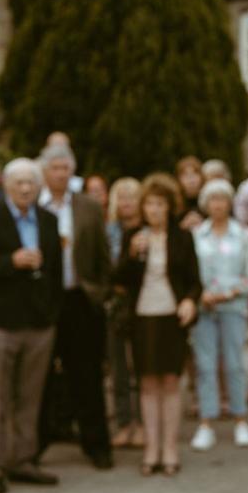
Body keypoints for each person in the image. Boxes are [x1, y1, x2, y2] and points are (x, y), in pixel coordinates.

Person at [0, 158, 62, 493]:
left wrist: (51, 316)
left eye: (30, 183)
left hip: (38, 323)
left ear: (38, 187)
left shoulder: (49, 221)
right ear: (6, 185)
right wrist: (11, 261)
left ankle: (23, 459)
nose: (25, 188)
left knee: (29, 397)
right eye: (19, 182)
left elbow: (56, 275)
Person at [116, 174, 199, 474]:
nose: (153, 210)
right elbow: (119, 279)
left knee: (170, 381)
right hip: (142, 317)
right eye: (149, 204)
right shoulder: (133, 236)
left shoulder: (182, 237)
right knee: (148, 382)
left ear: (169, 207)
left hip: (171, 316)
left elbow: (194, 281)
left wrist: (190, 300)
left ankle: (170, 448)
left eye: (159, 204)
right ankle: (151, 448)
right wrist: (131, 254)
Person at [37, 144, 113, 469]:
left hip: (80, 299)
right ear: (45, 172)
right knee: (39, 376)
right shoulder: (34, 207)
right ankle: (36, 444)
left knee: (87, 374)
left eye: (65, 168)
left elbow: (102, 256)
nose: (60, 174)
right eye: (54, 168)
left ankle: (96, 444)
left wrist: (98, 292)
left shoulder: (88, 208)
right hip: (44, 302)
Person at [188, 178, 248, 451]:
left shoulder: (243, 235)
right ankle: (206, 422)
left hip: (234, 306)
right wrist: (202, 294)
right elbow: (191, 271)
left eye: (222, 199)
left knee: (234, 364)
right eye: (212, 199)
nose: (217, 204)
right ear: (206, 204)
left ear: (229, 203)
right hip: (205, 308)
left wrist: (231, 293)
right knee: (205, 365)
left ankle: (240, 419)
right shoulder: (197, 235)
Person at [105, 177, 145, 448]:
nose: (127, 203)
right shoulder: (108, 232)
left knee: (142, 368)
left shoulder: (148, 231)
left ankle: (143, 424)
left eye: (132, 197)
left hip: (143, 303)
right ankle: (124, 423)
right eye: (122, 197)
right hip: (116, 303)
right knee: (118, 367)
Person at [174, 156, 206, 231]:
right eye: (185, 175)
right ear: (178, 179)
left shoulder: (209, 200)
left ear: (202, 177)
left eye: (195, 174)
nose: (191, 180)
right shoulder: (174, 204)